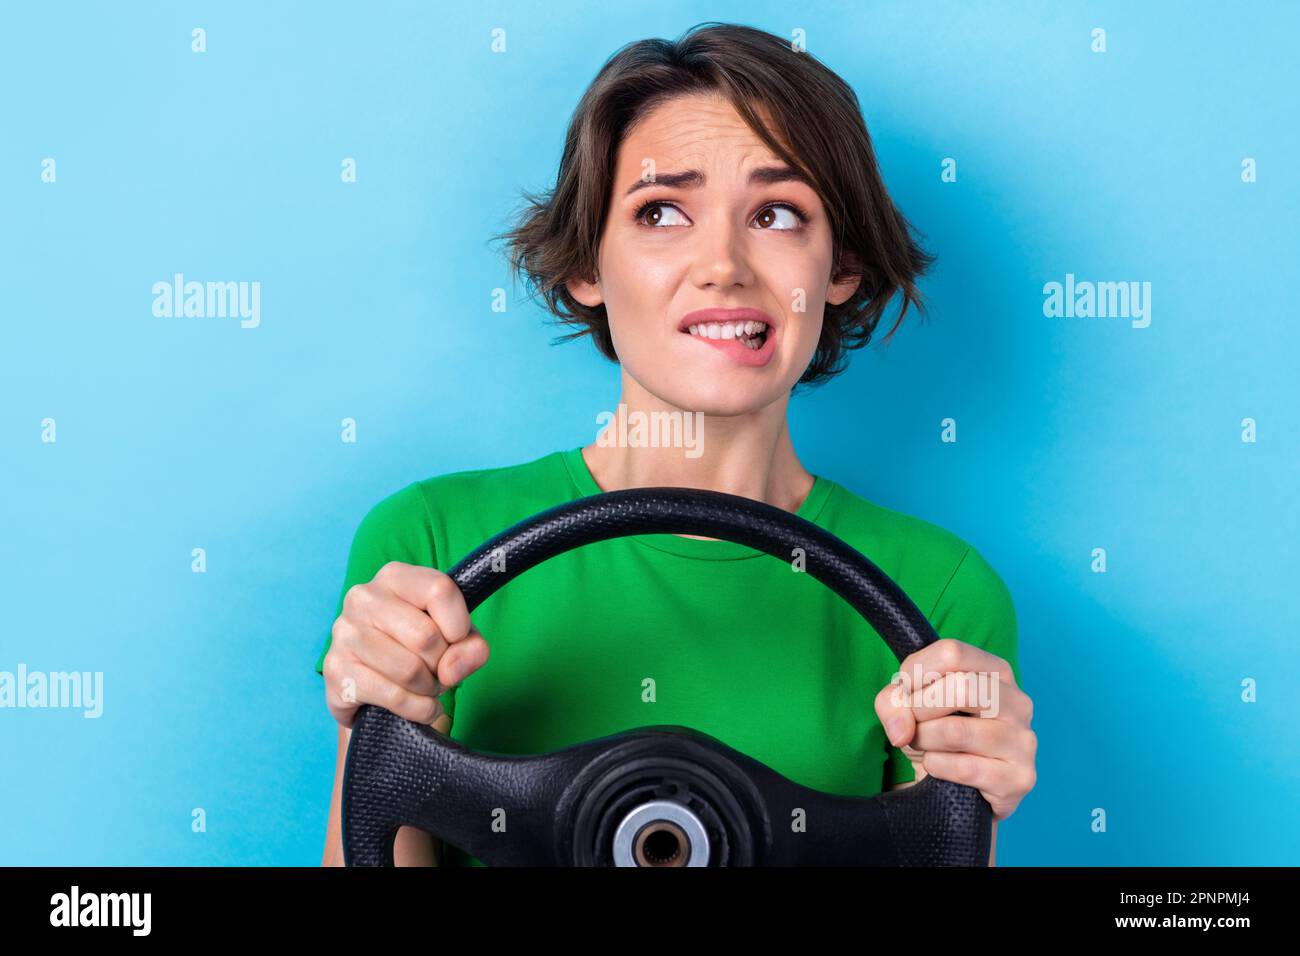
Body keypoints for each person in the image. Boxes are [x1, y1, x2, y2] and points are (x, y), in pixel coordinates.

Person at [317, 22, 1036, 867]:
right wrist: (387, 721)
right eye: (661, 212)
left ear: (838, 267)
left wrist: (969, 789)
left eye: (776, 213)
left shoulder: (935, 592)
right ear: (588, 262)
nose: (722, 265)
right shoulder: (431, 548)